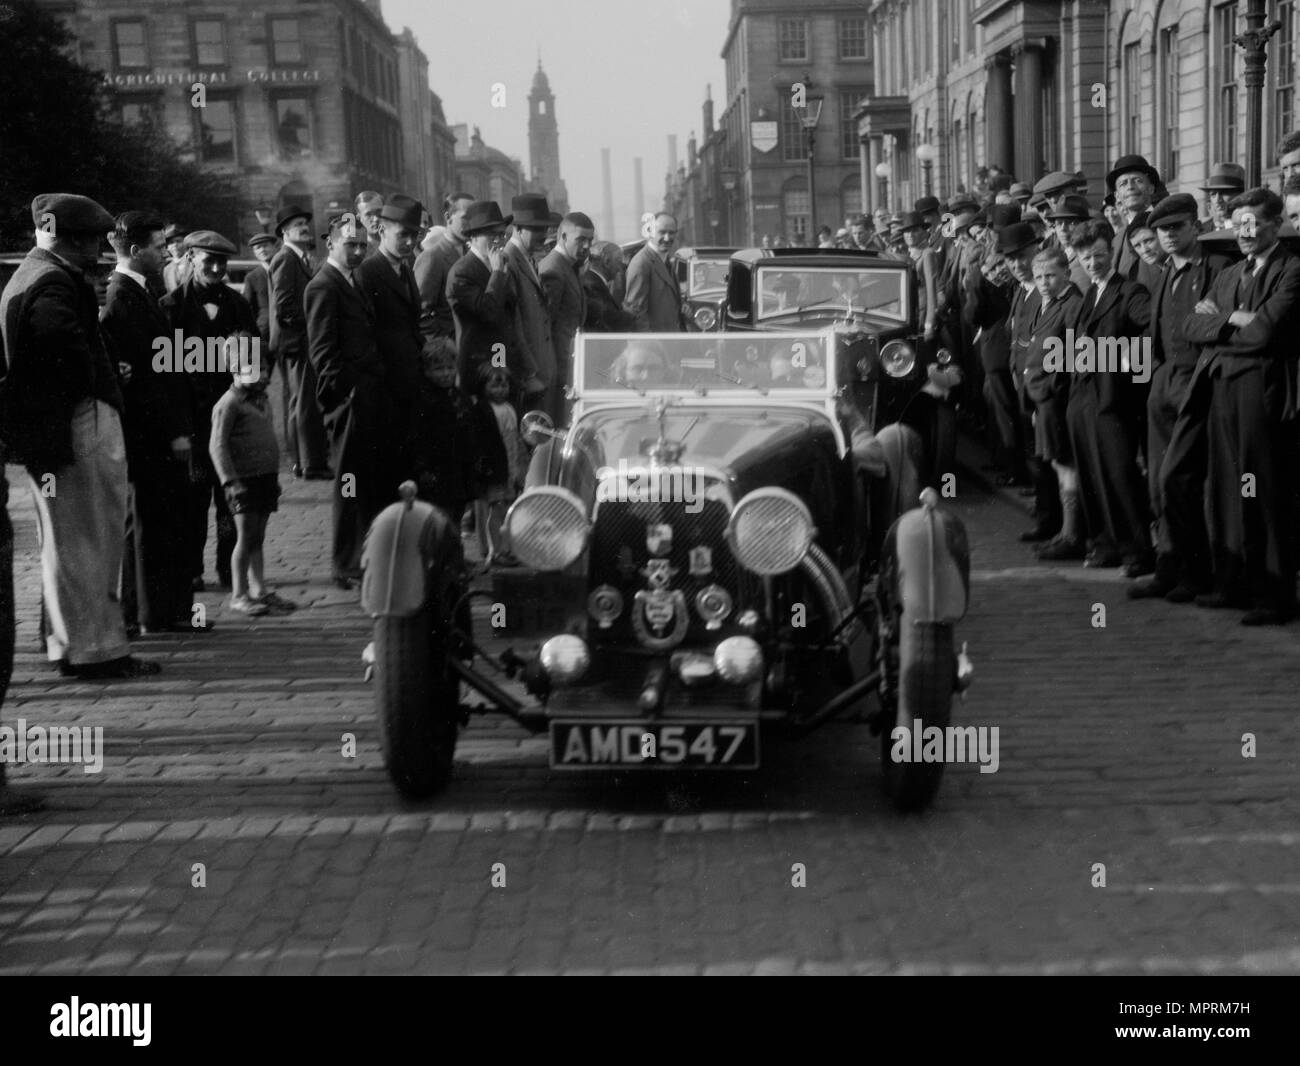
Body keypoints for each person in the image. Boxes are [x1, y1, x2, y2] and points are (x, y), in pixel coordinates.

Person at [0, 194, 159, 679]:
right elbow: (58, 346)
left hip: (51, 431)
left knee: (64, 543)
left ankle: (67, 644)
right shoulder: (55, 281)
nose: (99, 249)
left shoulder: (27, 274)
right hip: (78, 423)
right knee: (93, 538)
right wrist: (93, 379)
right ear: (70, 239)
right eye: (91, 239)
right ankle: (99, 651)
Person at [1179, 188, 1300, 625]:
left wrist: (1222, 326)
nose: (1245, 233)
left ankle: (1274, 593)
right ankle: (1233, 582)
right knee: (1229, 487)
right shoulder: (1229, 274)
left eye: (1253, 224)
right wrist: (1229, 319)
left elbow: (1266, 332)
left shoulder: (1292, 271)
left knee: (1263, 488)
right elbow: (1192, 324)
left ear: (1275, 224)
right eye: (1239, 224)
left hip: (1263, 393)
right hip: (1224, 391)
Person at [101, 211, 201, 635]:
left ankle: (153, 610)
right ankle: (151, 614)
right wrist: (175, 432)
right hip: (149, 434)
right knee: (150, 522)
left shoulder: (140, 290)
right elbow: (146, 379)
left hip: (153, 430)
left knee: (156, 521)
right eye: (159, 247)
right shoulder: (121, 297)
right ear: (136, 250)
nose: (166, 253)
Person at [1129, 193, 1232, 602]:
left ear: (1195, 227)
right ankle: (1168, 567)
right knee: (1157, 481)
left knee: (1181, 479)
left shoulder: (1217, 269)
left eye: (1176, 228)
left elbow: (1218, 324)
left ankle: (1197, 571)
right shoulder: (1163, 273)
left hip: (1198, 381)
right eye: (1161, 230)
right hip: (1164, 380)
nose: (1168, 236)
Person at [161, 229, 256, 593]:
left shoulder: (238, 306)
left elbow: (251, 365)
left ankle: (230, 569)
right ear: (189, 259)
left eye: (222, 261)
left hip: (230, 420)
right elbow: (166, 374)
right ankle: (191, 569)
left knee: (231, 496)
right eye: (208, 260)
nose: (216, 267)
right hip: (193, 420)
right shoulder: (170, 308)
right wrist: (178, 426)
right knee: (192, 500)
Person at [304, 214, 389, 589]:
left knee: (365, 479)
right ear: (331, 244)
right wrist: (343, 398)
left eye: (361, 245)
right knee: (349, 481)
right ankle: (344, 561)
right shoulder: (324, 285)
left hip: (368, 397)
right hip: (349, 403)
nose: (356, 251)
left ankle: (361, 556)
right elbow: (323, 354)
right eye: (349, 245)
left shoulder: (352, 281)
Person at [1065, 219, 1154, 575]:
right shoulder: (1089, 294)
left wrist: (1126, 356)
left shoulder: (1130, 292)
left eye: (1098, 255)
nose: (1092, 263)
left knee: (1119, 474)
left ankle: (1137, 551)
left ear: (1111, 252)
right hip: (1083, 398)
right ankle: (1104, 545)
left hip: (1113, 398)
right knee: (1090, 475)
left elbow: (1150, 327)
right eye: (1085, 258)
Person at [210, 355, 296, 616]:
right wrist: (230, 480)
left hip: (264, 479)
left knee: (258, 537)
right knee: (245, 538)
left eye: (266, 369)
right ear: (236, 370)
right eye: (258, 370)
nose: (265, 375)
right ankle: (239, 593)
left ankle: (259, 588)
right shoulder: (229, 403)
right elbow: (218, 445)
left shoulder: (261, 399)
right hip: (243, 482)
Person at [355, 193, 425, 490]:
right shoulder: (367, 272)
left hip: (407, 383)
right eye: (403, 235)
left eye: (414, 235)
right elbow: (363, 334)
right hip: (384, 389)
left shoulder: (406, 270)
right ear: (381, 230)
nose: (410, 242)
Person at [1022, 246, 1084, 560]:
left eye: (1051, 275)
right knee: (1057, 464)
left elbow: (1073, 358)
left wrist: (1049, 392)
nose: (1044, 282)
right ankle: (1064, 531)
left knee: (1065, 465)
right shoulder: (1047, 304)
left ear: (1067, 274)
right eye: (1039, 277)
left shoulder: (1072, 306)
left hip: (1056, 400)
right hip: (1042, 401)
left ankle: (1072, 535)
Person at [408, 337, 501, 529]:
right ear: (427, 371)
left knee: (456, 515)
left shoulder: (460, 397)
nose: (445, 374)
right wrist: (423, 469)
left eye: (449, 368)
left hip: (459, 470)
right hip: (437, 472)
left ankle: (454, 556)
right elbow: (418, 438)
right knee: (440, 519)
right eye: (438, 369)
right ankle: (442, 557)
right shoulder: (424, 400)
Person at [269, 205, 331, 479]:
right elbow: (284, 307)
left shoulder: (301, 258)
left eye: (306, 224)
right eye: (297, 225)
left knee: (303, 402)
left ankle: (304, 461)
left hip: (301, 340)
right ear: (284, 231)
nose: (305, 228)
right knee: (304, 403)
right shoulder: (286, 258)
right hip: (297, 342)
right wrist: (312, 328)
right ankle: (310, 464)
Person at [447, 200, 520, 392]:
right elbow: (488, 312)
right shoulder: (462, 272)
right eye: (491, 234)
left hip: (501, 360)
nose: (498, 240)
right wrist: (497, 274)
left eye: (501, 234)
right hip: (478, 368)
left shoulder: (500, 266)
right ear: (473, 237)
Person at [502, 194, 558, 414]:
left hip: (543, 370)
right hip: (530, 377)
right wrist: (528, 374)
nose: (543, 235)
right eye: (536, 229)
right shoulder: (509, 261)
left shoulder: (529, 259)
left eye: (545, 229)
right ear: (517, 228)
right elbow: (511, 325)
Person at [540, 212, 594, 422]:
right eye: (580, 240)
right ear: (562, 237)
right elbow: (546, 326)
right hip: (559, 368)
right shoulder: (553, 268)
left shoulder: (567, 267)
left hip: (570, 363)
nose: (587, 246)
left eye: (590, 240)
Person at [471, 364, 526, 568]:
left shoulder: (511, 409)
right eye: (495, 386)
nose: (500, 390)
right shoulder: (482, 410)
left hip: (511, 466)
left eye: (504, 386)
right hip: (495, 469)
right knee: (496, 508)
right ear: (483, 387)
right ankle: (495, 549)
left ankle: (508, 548)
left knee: (510, 508)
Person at [414, 191, 473, 338]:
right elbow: (421, 314)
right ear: (448, 218)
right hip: (450, 350)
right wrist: (445, 344)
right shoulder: (432, 257)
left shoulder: (471, 254)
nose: (471, 223)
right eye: (466, 218)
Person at [1107, 154, 1162, 288]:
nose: (1130, 187)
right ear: (1117, 196)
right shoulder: (1117, 239)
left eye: (1137, 180)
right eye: (1123, 183)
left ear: (1151, 188)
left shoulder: (1164, 227)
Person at [624, 212, 684, 331]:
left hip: (669, 341)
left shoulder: (664, 259)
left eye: (671, 233)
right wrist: (650, 343)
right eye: (662, 232)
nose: (667, 238)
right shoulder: (641, 263)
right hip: (654, 344)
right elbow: (636, 311)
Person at [582, 240, 636, 332]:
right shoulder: (592, 285)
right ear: (607, 261)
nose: (621, 267)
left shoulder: (594, 281)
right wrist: (631, 314)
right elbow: (608, 317)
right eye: (618, 261)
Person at [1201, 162, 1246, 231]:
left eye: (1224, 193)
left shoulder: (1248, 225)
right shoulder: (1201, 230)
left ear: (1239, 195)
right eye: (1213, 194)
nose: (1218, 200)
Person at [161, 222, 190, 292]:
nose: (175, 245)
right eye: (171, 243)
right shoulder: (167, 270)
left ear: (186, 243)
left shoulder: (193, 262)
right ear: (167, 247)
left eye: (178, 241)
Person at [355, 190, 385, 257]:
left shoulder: (401, 244)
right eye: (368, 214)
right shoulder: (357, 253)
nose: (376, 219)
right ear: (359, 219)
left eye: (379, 212)